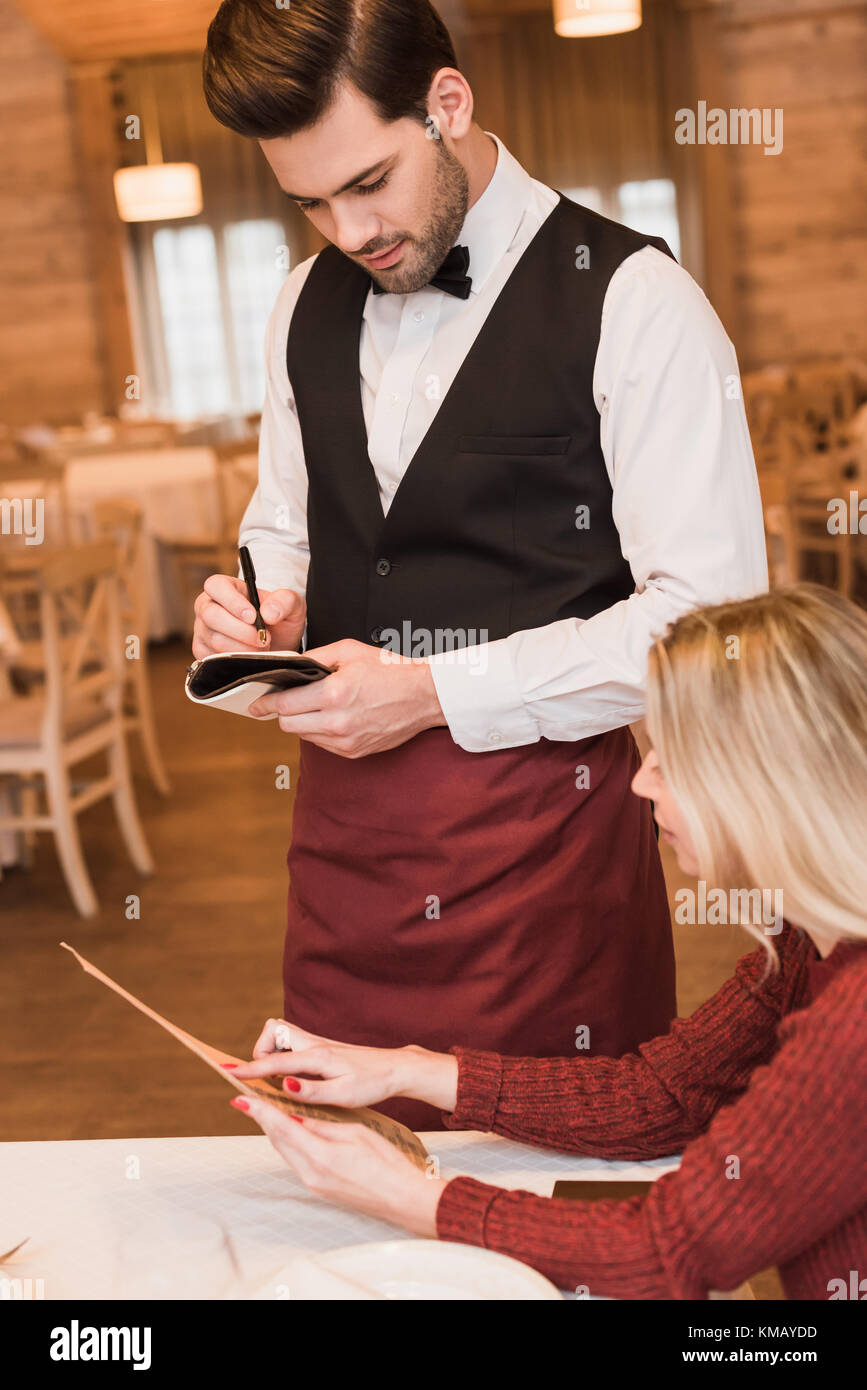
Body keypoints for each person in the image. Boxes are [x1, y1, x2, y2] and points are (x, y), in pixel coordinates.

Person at [196, 0, 767, 1130]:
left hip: (544, 869)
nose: (347, 230)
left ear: (447, 105)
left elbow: (714, 626)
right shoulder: (300, 307)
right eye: (309, 201)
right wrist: (260, 611)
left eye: (369, 181)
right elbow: (287, 528)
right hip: (343, 864)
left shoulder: (637, 302)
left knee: (549, 1226)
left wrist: (430, 691)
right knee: (346, 1209)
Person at [227, 586, 867, 1300]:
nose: (640, 782)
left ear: (770, 780)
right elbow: (661, 1096)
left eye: (669, 756)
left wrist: (408, 1197)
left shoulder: (852, 1019)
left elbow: (662, 1254)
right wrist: (403, 1070)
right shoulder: (808, 942)